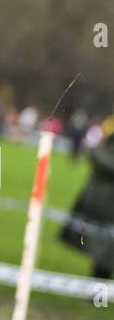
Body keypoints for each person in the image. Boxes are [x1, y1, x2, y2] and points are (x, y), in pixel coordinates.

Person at [59, 117, 114, 280]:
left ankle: (98, 298)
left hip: (105, 209)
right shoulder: (105, 150)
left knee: (104, 257)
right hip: (106, 210)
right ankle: (98, 299)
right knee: (104, 259)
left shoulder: (102, 151)